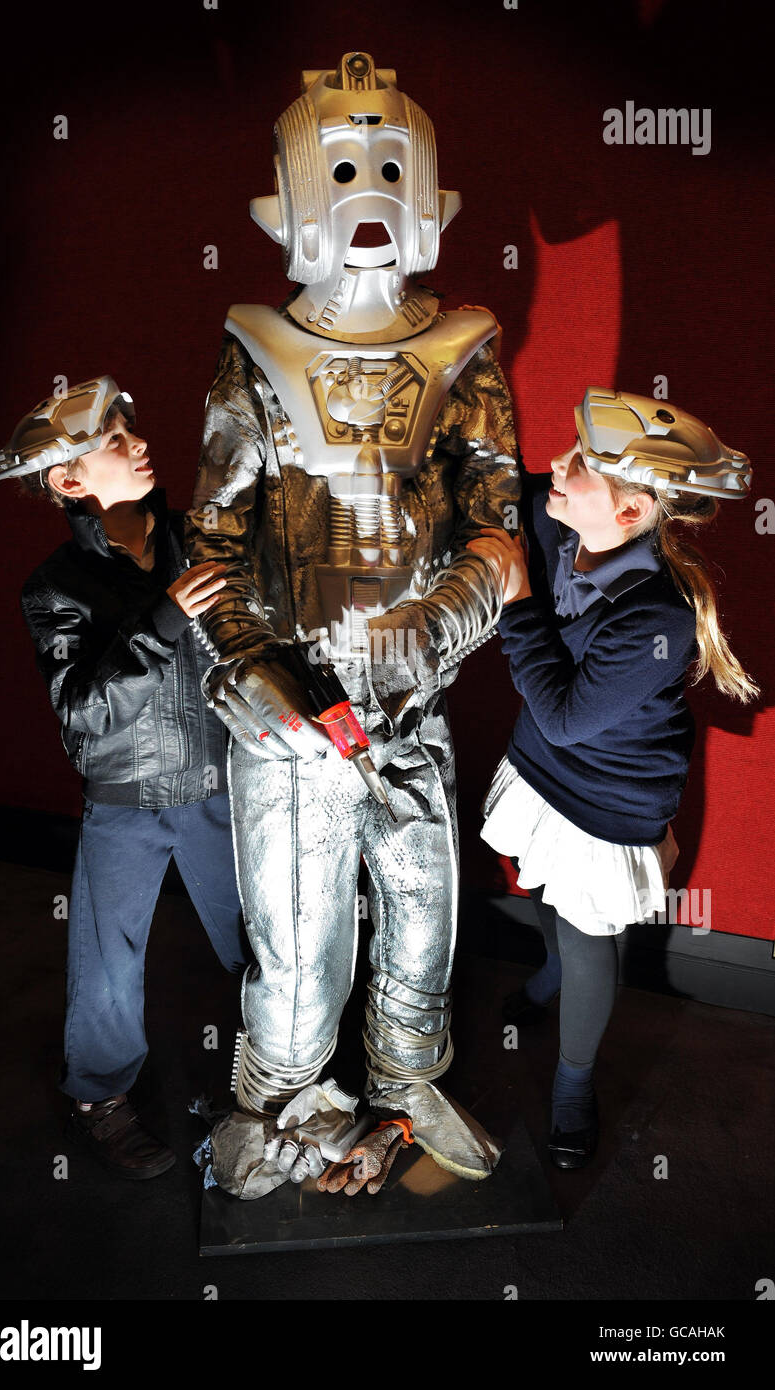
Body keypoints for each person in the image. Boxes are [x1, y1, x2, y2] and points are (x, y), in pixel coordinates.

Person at [186, 52, 519, 1199]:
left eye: (388, 167)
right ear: (296, 201)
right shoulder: (256, 356)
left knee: (426, 916)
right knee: (298, 944)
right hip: (293, 720)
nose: (368, 192)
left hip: (417, 703)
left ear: (425, 193)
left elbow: (500, 534)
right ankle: (277, 1099)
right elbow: (213, 552)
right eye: (345, 168)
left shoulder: (466, 354)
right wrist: (250, 673)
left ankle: (407, 1081)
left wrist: (431, 625)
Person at [468, 387, 757, 1170]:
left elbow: (563, 713)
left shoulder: (654, 616)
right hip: (544, 768)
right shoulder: (559, 520)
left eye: (580, 465)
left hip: (606, 799)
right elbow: (491, 489)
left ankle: (572, 1088)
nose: (553, 466)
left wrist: (515, 595)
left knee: (590, 931)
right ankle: (543, 985)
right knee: (553, 904)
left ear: (629, 513)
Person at [0, 376, 245, 1179]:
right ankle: (98, 1096)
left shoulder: (201, 540)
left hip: (220, 789)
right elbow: (86, 718)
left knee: (268, 947)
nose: (138, 444)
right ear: (69, 481)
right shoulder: (55, 588)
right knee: (106, 966)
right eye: (113, 441)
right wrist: (165, 619)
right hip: (124, 806)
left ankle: (283, 1079)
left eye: (131, 430)